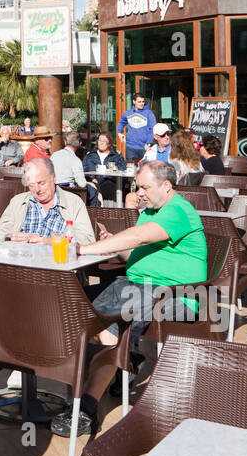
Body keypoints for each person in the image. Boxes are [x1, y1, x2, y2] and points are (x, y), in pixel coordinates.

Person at [57, 160, 208, 436]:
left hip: (177, 295)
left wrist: (85, 249)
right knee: (76, 302)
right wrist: (113, 241)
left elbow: (138, 237)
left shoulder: (177, 211)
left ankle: (87, 407)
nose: (140, 193)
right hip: (137, 285)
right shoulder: (151, 210)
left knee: (114, 321)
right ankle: (123, 359)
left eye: (145, 187)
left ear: (166, 185)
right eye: (138, 187)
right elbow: (135, 255)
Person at [0, 157, 97, 245]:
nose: (37, 189)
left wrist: (54, 242)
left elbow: (88, 240)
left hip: (57, 261)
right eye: (32, 185)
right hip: (21, 260)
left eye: (41, 183)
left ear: (53, 178)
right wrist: (11, 237)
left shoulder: (74, 202)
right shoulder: (18, 202)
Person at [83, 131, 128, 206]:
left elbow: (122, 169)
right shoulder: (90, 155)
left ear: (109, 143)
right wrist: (92, 179)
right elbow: (84, 169)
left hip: (111, 184)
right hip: (94, 184)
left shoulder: (116, 155)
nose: (100, 143)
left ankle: (110, 212)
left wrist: (108, 175)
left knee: (108, 185)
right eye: (99, 140)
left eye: (103, 141)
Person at [116, 94, 157, 164]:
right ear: (134, 101)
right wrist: (119, 133)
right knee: (131, 169)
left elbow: (153, 129)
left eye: (143, 102)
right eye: (139, 102)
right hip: (130, 147)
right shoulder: (128, 113)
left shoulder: (149, 114)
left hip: (144, 147)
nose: (142, 104)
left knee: (144, 170)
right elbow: (121, 123)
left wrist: (148, 143)